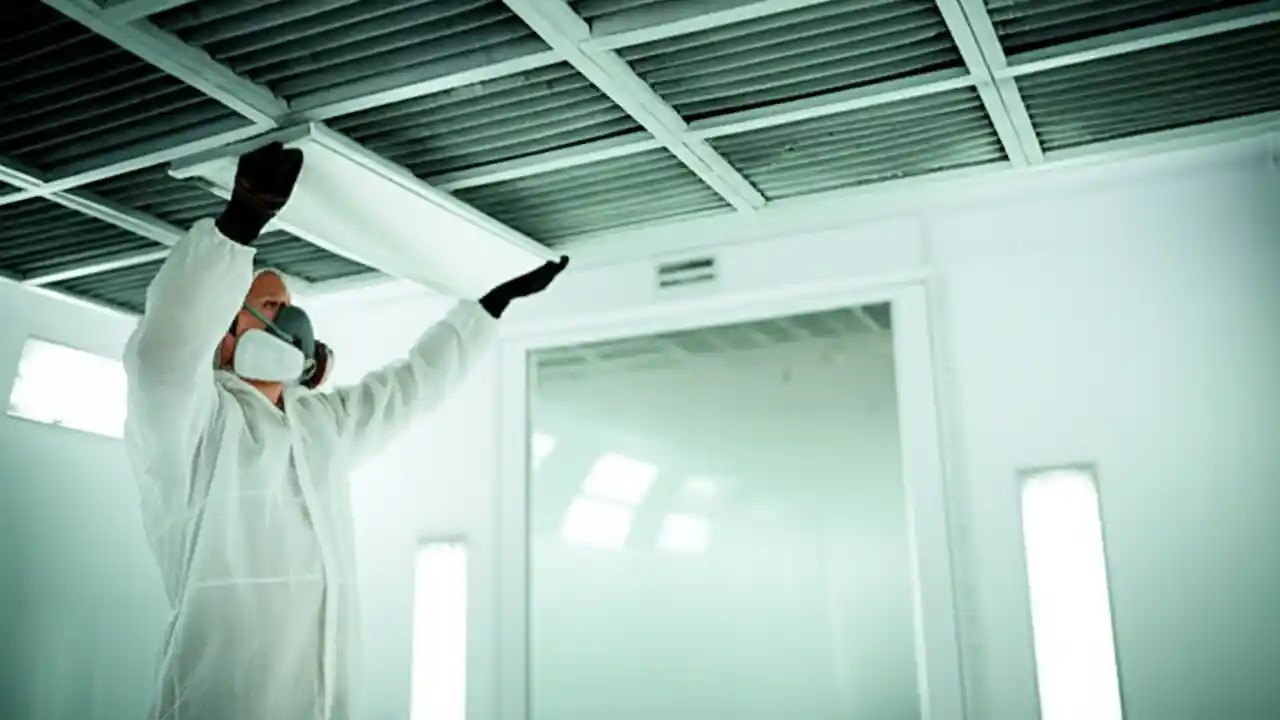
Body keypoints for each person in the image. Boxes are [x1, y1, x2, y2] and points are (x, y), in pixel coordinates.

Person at [123, 141, 567, 720]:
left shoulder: (316, 425)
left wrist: (489, 304)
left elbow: (412, 387)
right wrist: (240, 224)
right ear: (228, 334)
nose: (293, 322)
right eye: (274, 306)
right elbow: (162, 357)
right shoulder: (199, 425)